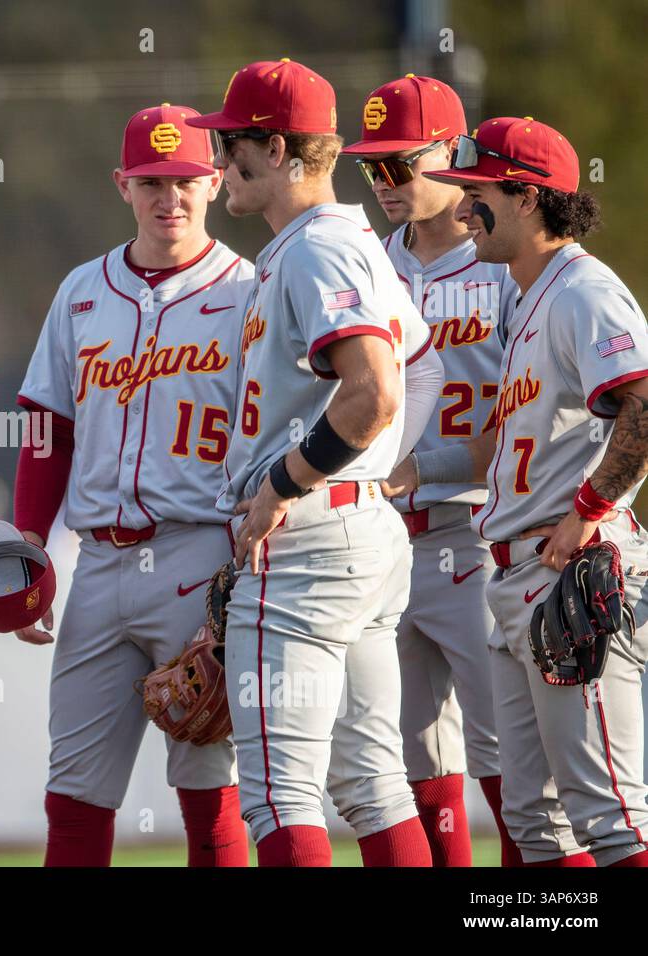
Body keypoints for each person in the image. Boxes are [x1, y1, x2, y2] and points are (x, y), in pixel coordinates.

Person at [188, 58, 443, 866]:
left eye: (231, 144)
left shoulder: (313, 249)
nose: (220, 162)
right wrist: (370, 473)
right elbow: (422, 365)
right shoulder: (344, 239)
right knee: (374, 785)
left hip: (307, 539)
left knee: (280, 794)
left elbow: (376, 391)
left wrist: (285, 482)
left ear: (277, 148)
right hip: (357, 526)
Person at [14, 103, 256, 867]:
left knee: (208, 787)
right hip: (98, 563)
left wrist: (242, 577)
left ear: (215, 179)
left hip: (201, 557)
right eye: (152, 181)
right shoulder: (83, 290)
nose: (169, 198)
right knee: (73, 792)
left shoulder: (249, 291)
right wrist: (30, 547)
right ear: (123, 184)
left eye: (185, 179)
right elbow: (48, 428)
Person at [410, 116, 648, 865]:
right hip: (515, 573)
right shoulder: (530, 297)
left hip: (568, 565)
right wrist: (414, 469)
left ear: (526, 196)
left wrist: (589, 511)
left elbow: (644, 405)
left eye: (476, 192)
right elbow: (505, 445)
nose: (461, 209)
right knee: (533, 820)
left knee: (608, 810)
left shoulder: (582, 291)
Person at [339, 75, 522, 866]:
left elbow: (529, 416)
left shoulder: (506, 263)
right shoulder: (365, 265)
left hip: (478, 531)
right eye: (369, 166)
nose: (383, 182)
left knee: (513, 767)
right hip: (384, 542)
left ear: (454, 152)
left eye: (399, 163)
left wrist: (427, 465)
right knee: (415, 765)